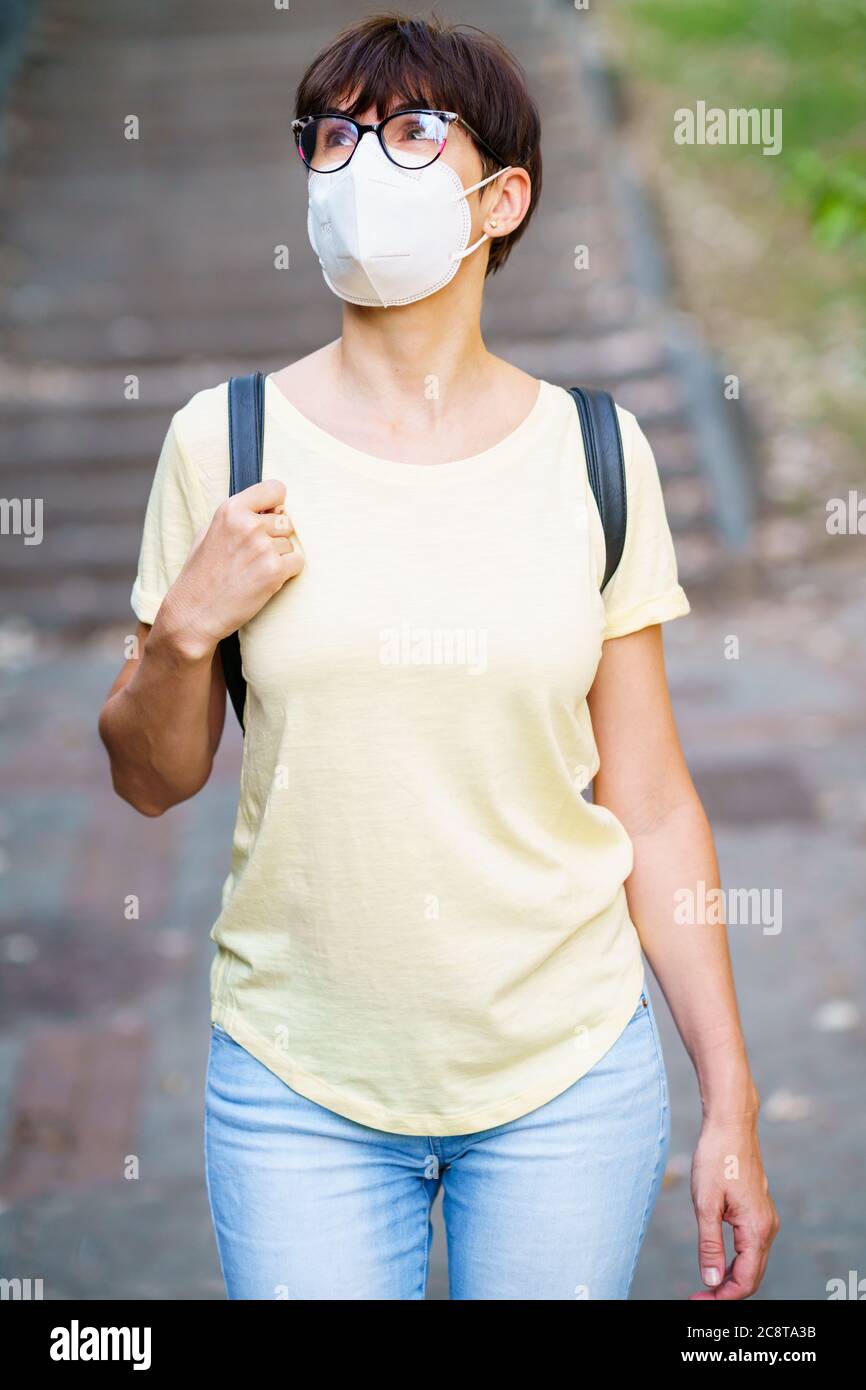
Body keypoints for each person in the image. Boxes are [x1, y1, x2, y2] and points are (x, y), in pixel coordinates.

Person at [99, 13, 778, 1300]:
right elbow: (149, 779)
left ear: (499, 198)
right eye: (334, 135)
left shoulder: (595, 451)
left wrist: (729, 1104)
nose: (359, 164)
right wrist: (185, 628)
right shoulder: (222, 441)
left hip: (563, 1075)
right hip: (299, 1079)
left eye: (412, 132)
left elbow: (651, 798)